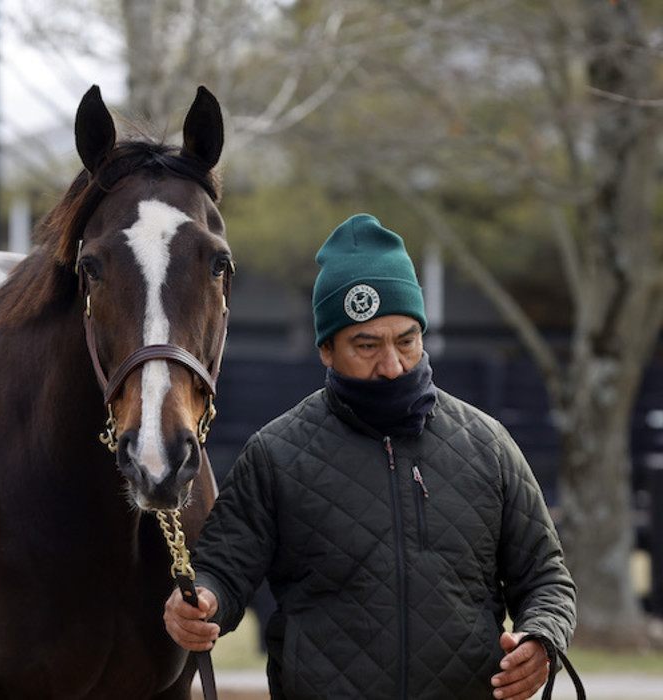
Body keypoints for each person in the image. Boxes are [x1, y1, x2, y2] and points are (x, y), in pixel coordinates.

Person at [164, 214, 577, 700]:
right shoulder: (274, 455)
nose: (392, 365)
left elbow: (547, 579)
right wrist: (199, 603)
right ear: (326, 349)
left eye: (407, 340)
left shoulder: (489, 445)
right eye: (366, 345)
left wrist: (542, 638)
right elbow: (223, 570)